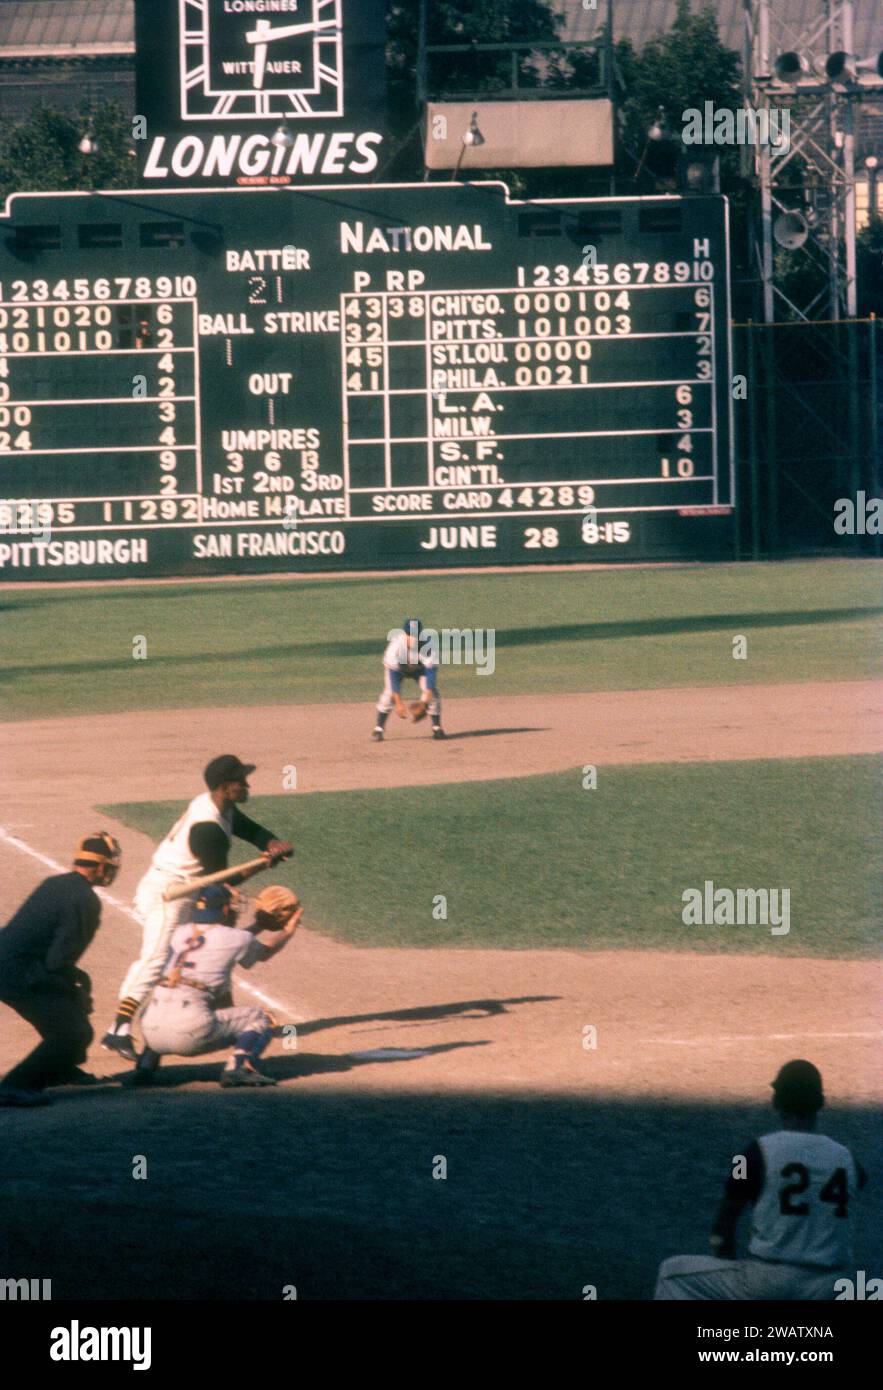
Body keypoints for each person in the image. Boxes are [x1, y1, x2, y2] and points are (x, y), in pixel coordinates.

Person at [102, 754, 293, 1063]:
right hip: (170, 891)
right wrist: (264, 863)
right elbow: (220, 882)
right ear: (225, 787)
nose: (247, 785)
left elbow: (248, 828)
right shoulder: (207, 827)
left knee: (205, 950)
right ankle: (118, 1030)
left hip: (190, 887)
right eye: (241, 781)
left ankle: (219, 1013)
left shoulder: (221, 806)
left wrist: (270, 843)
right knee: (158, 956)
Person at [654, 1060, 868, 1300]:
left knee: (671, 1273)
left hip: (769, 1281)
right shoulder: (849, 1159)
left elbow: (723, 1225)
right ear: (821, 1103)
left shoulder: (752, 1153)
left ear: (775, 1102)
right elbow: (858, 1182)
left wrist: (725, 1258)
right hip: (832, 1286)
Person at [131, 882, 302, 1089]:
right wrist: (287, 932)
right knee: (262, 1017)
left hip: (150, 1030)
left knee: (166, 1001)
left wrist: (259, 926)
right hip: (189, 1032)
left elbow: (227, 941)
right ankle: (238, 1068)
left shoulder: (180, 932)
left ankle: (146, 1064)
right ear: (223, 909)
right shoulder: (236, 938)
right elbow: (263, 951)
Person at [0, 833, 122, 1107]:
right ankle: (15, 1085)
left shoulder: (56, 882)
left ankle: (60, 1067)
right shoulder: (86, 900)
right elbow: (58, 962)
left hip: (9, 960)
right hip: (17, 972)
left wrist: (76, 983)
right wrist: (76, 986)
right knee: (75, 1032)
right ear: (101, 867)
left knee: (69, 1002)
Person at [372, 618, 445, 741]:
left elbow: (431, 674)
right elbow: (393, 676)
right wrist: (398, 703)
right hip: (398, 671)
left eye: (416, 634)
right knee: (389, 694)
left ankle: (437, 728)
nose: (413, 637)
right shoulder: (395, 647)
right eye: (410, 634)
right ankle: (379, 728)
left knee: (433, 693)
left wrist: (425, 701)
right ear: (404, 634)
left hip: (419, 671)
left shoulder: (428, 645)